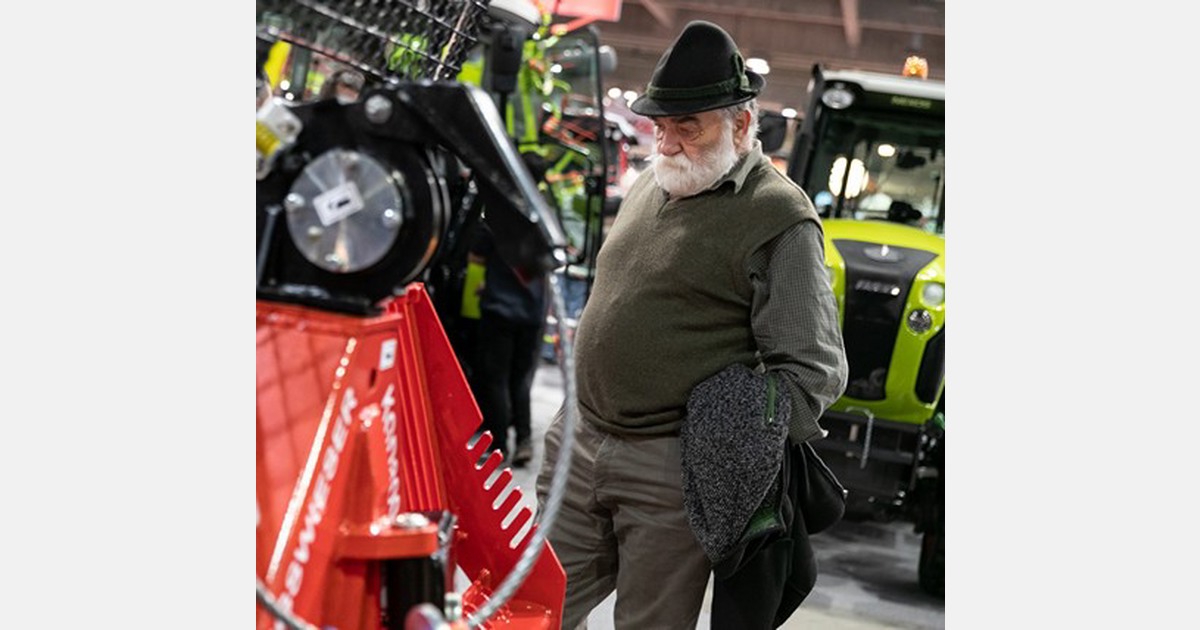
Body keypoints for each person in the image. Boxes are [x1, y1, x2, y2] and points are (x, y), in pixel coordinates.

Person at [535, 20, 848, 630]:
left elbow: (814, 370)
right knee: (533, 608)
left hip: (668, 470)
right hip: (580, 440)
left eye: (689, 127)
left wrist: (723, 448)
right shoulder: (654, 180)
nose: (669, 143)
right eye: (662, 126)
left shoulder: (777, 216)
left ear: (741, 124)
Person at [469, 222, 547, 468]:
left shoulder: (494, 221)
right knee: (520, 379)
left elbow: (475, 258)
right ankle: (524, 441)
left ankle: (499, 446)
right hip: (531, 313)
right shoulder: (539, 221)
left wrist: (482, 285)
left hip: (498, 311)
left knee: (496, 381)